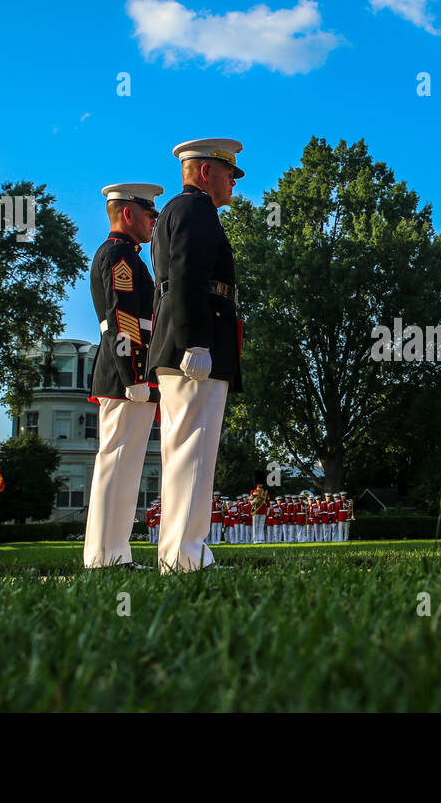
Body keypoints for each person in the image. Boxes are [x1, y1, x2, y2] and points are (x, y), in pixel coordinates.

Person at [149, 138, 245, 571]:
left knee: (183, 451)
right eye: (229, 173)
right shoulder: (196, 210)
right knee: (194, 451)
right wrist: (196, 342)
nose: (233, 183)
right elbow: (188, 276)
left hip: (181, 340)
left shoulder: (173, 211)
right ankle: (186, 557)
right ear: (206, 172)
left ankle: (178, 552)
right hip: (195, 344)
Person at [83, 183, 163, 569]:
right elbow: (122, 319)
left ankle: (113, 554)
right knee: (116, 466)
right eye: (150, 215)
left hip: (126, 374)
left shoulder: (125, 255)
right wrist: (135, 376)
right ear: (128, 214)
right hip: (125, 376)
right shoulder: (119, 255)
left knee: (123, 468)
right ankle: (105, 558)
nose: (154, 222)